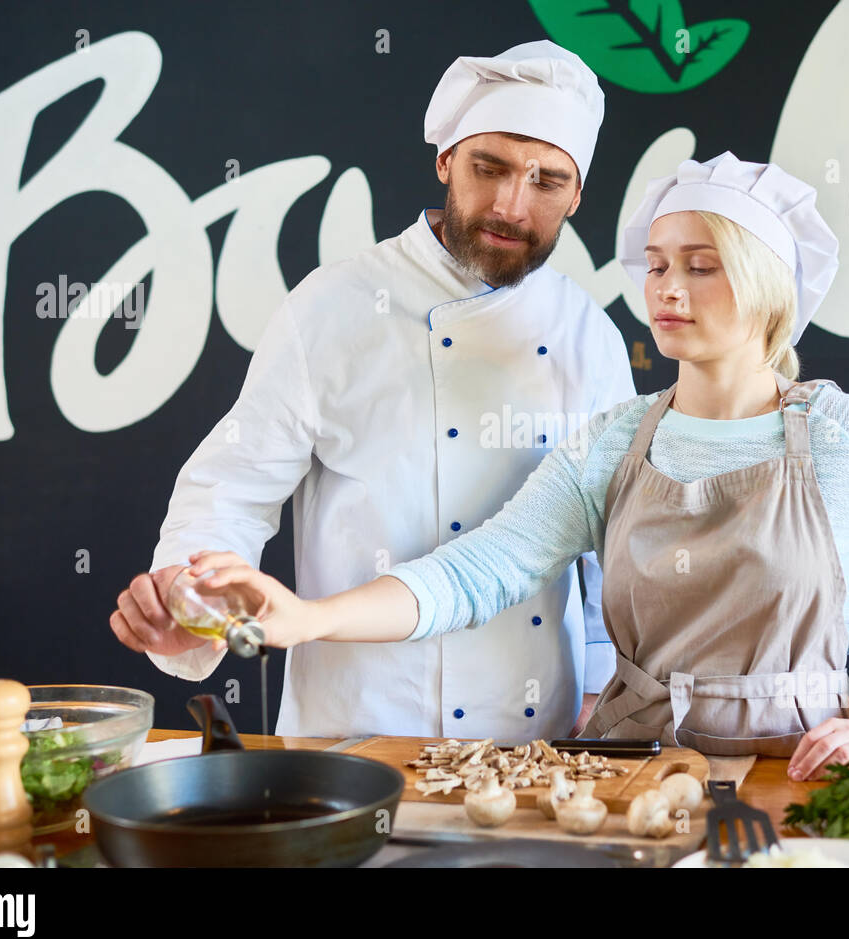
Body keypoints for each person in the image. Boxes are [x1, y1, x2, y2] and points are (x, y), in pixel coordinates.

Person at [181, 152, 849, 779]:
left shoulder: (847, 435)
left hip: (800, 768)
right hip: (627, 773)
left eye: (701, 265)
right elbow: (479, 570)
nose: (667, 287)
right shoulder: (612, 440)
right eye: (658, 262)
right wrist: (309, 618)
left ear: (767, 286)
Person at [109, 41, 636, 741]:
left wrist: (602, 686)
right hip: (357, 726)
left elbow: (613, 546)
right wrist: (193, 603)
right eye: (491, 167)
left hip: (533, 732)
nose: (512, 204)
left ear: (576, 196)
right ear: (446, 160)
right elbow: (231, 488)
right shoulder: (334, 305)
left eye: (547, 180)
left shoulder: (588, 335)